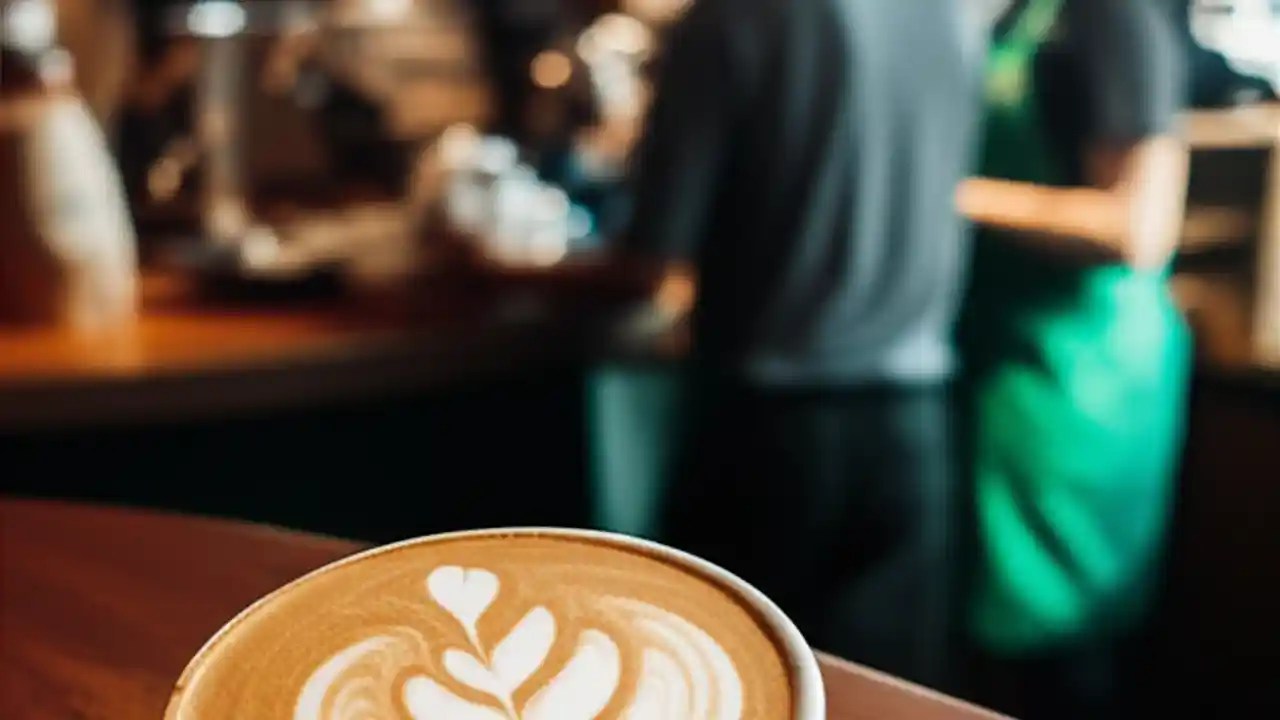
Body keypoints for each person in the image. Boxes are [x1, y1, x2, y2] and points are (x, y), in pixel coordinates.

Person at [618, 0, 984, 688]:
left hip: (767, 435)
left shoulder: (727, 22)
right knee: (887, 698)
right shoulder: (950, 14)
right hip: (916, 425)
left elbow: (653, 265)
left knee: (736, 687)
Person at [956, 0, 1190, 716]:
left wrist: (944, 195)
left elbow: (1139, 225)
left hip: (1078, 381)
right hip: (1003, 363)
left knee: (1062, 653)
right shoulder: (1017, 18)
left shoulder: (1114, 17)